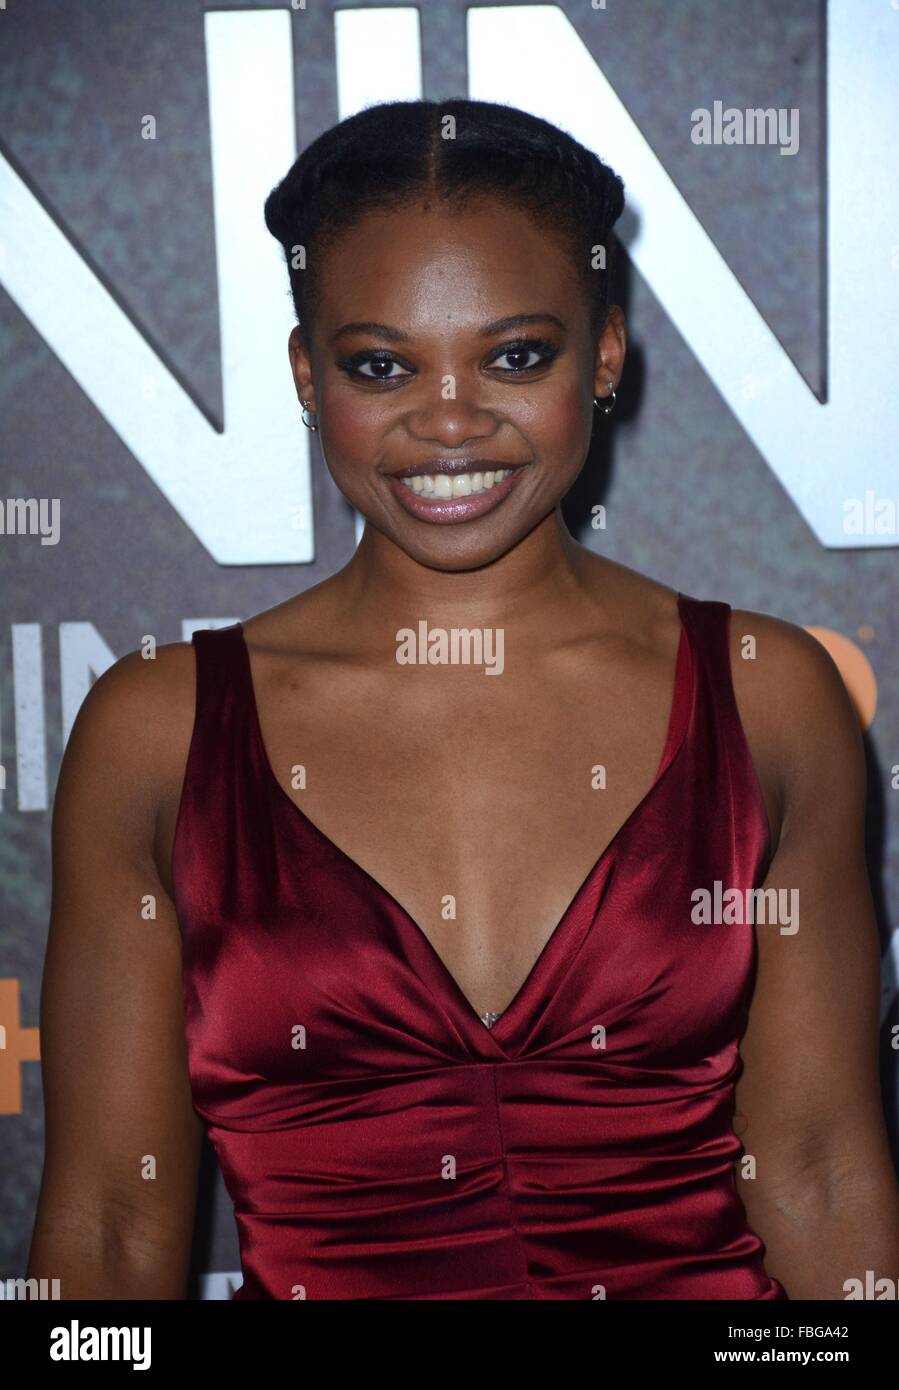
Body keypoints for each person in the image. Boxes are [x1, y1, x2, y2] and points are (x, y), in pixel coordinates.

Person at [28, 99, 899, 1300]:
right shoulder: (155, 732)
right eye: (380, 364)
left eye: (514, 355)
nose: (446, 418)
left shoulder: (765, 698)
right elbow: (109, 1227)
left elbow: (814, 1174)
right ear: (305, 372)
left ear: (601, 355)